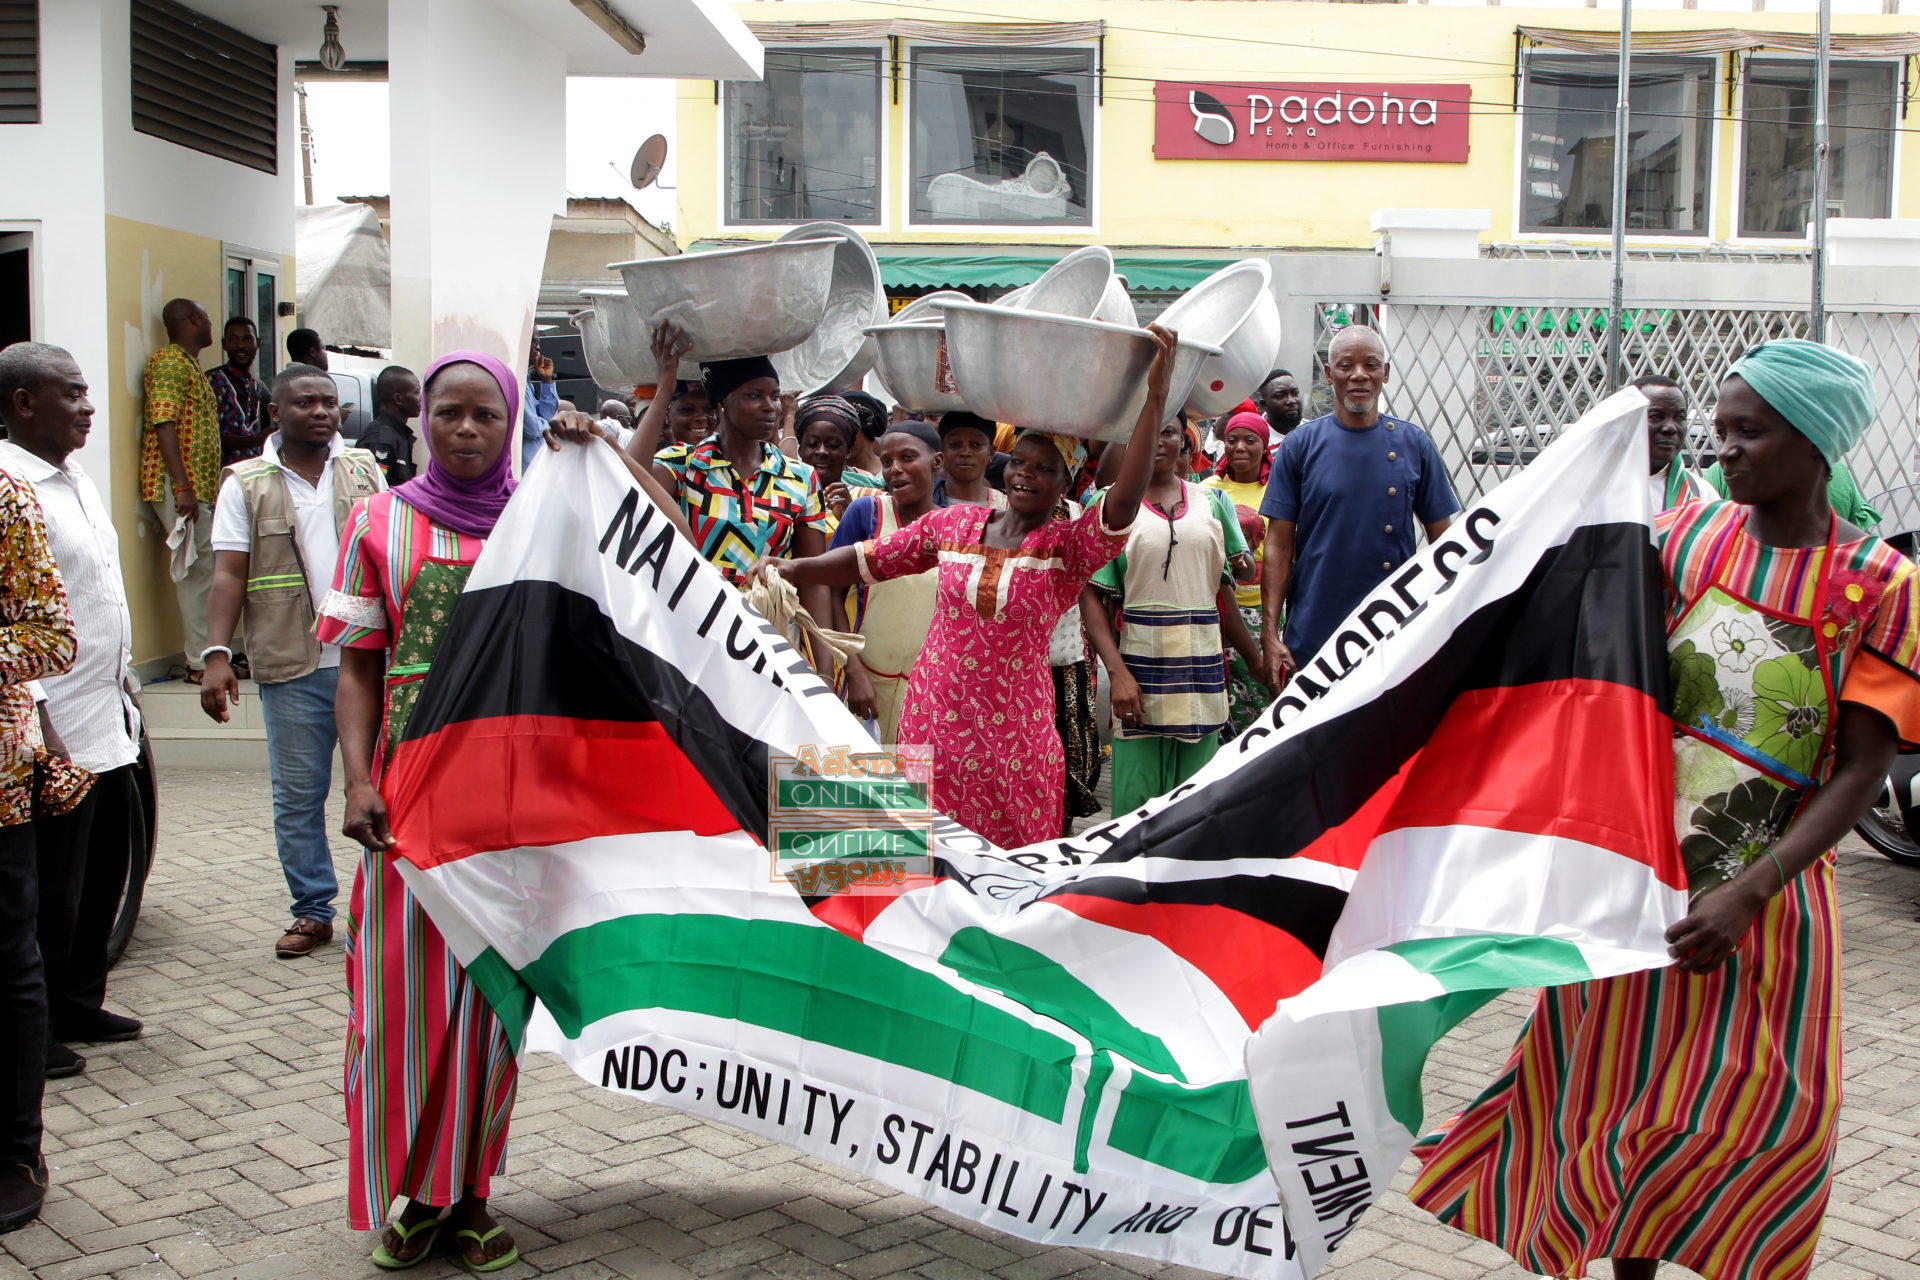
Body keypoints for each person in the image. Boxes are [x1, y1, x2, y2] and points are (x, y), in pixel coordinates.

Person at [1412, 339, 1920, 1280]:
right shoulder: (1686, 541)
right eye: (1721, 431)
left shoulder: (1879, 587)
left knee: (1767, 1106)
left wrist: (1751, 893)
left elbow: (1859, 772)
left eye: (1748, 432)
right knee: (1613, 1089)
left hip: (1774, 900)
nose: (1723, 450)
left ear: (1815, 443)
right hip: (1642, 881)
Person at [751, 326, 1179, 848]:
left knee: (1007, 865)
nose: (1026, 475)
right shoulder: (953, 525)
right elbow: (870, 559)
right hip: (933, 720)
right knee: (913, 856)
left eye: (1045, 469)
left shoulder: (1066, 548)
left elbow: (1125, 500)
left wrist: (1155, 398)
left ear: (1065, 483)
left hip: (1017, 737)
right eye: (1020, 461)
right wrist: (797, 569)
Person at [201, 364, 385, 959]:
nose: (322, 412)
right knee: (299, 797)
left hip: (365, 660)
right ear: (275, 412)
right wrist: (216, 655)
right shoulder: (245, 482)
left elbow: (390, 556)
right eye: (306, 402)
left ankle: (384, 905)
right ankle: (312, 911)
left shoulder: (364, 468)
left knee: (385, 788)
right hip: (292, 664)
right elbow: (228, 574)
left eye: (330, 402)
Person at [0, 345, 143, 1076]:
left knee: (103, 873)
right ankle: (42, 1022)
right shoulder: (7, 484)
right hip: (50, 727)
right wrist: (41, 720)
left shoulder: (73, 477)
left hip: (105, 713)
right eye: (74, 393)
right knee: (50, 888)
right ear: (25, 403)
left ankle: (82, 999)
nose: (89, 407)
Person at [1083, 416, 1260, 816]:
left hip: (1202, 676)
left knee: (1194, 809)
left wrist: (1256, 661)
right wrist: (1118, 674)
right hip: (1139, 679)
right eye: (1147, 428)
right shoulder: (1110, 504)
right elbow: (1091, 596)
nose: (1158, 440)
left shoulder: (1212, 502)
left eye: (1168, 431)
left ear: (1184, 441)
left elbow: (1225, 591)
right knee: (1133, 807)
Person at [1261, 325, 1459, 682]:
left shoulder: (1414, 444)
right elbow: (1277, 544)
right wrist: (1270, 633)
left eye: (1370, 365)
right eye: (1345, 365)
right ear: (1328, 374)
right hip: (1314, 628)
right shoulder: (1300, 446)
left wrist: (1443, 615)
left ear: (1385, 373)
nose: (1358, 375)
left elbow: (1443, 543)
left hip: (1394, 625)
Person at [0, 458, 79, 1234]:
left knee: (8, 964)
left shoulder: (5, 496)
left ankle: (16, 1151)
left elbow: (52, 637)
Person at [626, 326, 829, 619]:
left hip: (771, 637)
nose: (769, 407)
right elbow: (628, 485)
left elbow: (813, 577)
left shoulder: (800, 477)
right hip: (697, 626)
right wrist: (664, 392)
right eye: (754, 395)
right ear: (722, 402)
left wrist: (821, 661)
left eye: (773, 396)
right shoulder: (684, 466)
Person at [826, 421, 945, 745]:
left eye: (908, 458)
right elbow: (831, 593)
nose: (895, 469)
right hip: (865, 684)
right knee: (854, 787)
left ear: (936, 462)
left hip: (926, 695)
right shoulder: (868, 513)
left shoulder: (956, 529)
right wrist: (853, 671)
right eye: (888, 461)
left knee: (911, 790)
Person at [140, 297, 221, 683]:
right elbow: (163, 421)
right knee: (195, 571)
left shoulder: (190, 365)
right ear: (192, 320)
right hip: (178, 486)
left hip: (195, 487)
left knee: (205, 569)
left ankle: (207, 656)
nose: (210, 324)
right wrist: (184, 485)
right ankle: (199, 663)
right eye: (206, 317)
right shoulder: (170, 362)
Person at [1203, 410, 1277, 736]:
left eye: (1250, 440)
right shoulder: (1207, 489)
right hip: (1218, 606)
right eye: (1232, 440)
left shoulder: (1278, 490)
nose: (1240, 448)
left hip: (1265, 609)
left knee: (1265, 690)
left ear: (1265, 447)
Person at [796, 393, 884, 535]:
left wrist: (852, 517)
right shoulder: (784, 496)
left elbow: (883, 552)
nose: (822, 452)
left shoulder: (874, 500)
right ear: (800, 449)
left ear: (848, 450)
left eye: (833, 445)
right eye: (812, 444)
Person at [1633, 374, 1715, 511]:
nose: (1670, 427)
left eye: (1680, 417)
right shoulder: (1597, 487)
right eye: (1656, 416)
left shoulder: (1701, 495)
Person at [205, 317, 273, 466]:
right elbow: (208, 437)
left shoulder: (257, 387)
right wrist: (256, 440)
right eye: (233, 339)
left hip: (254, 478)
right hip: (222, 479)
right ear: (224, 344)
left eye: (247, 339)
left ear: (258, 343)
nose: (240, 345)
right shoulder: (213, 381)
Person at [357, 366, 421, 487]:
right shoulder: (382, 440)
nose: (421, 399)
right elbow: (374, 491)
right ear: (398, 399)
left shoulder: (399, 435)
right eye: (417, 393)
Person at [936, 411, 1005, 509]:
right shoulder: (923, 502)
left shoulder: (1006, 507)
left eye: (976, 444)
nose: (965, 452)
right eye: (955, 444)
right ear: (942, 450)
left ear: (990, 452)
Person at [520, 339, 558, 473]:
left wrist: (546, 381)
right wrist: (553, 425)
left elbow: (547, 415)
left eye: (538, 342)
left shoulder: (526, 380)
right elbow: (533, 428)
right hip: (527, 471)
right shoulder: (518, 382)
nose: (538, 347)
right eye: (534, 341)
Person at [1257, 369, 1303, 442]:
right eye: (1280, 396)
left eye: (1295, 393)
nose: (1291, 401)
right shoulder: (1256, 440)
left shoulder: (1314, 431)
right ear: (1264, 405)